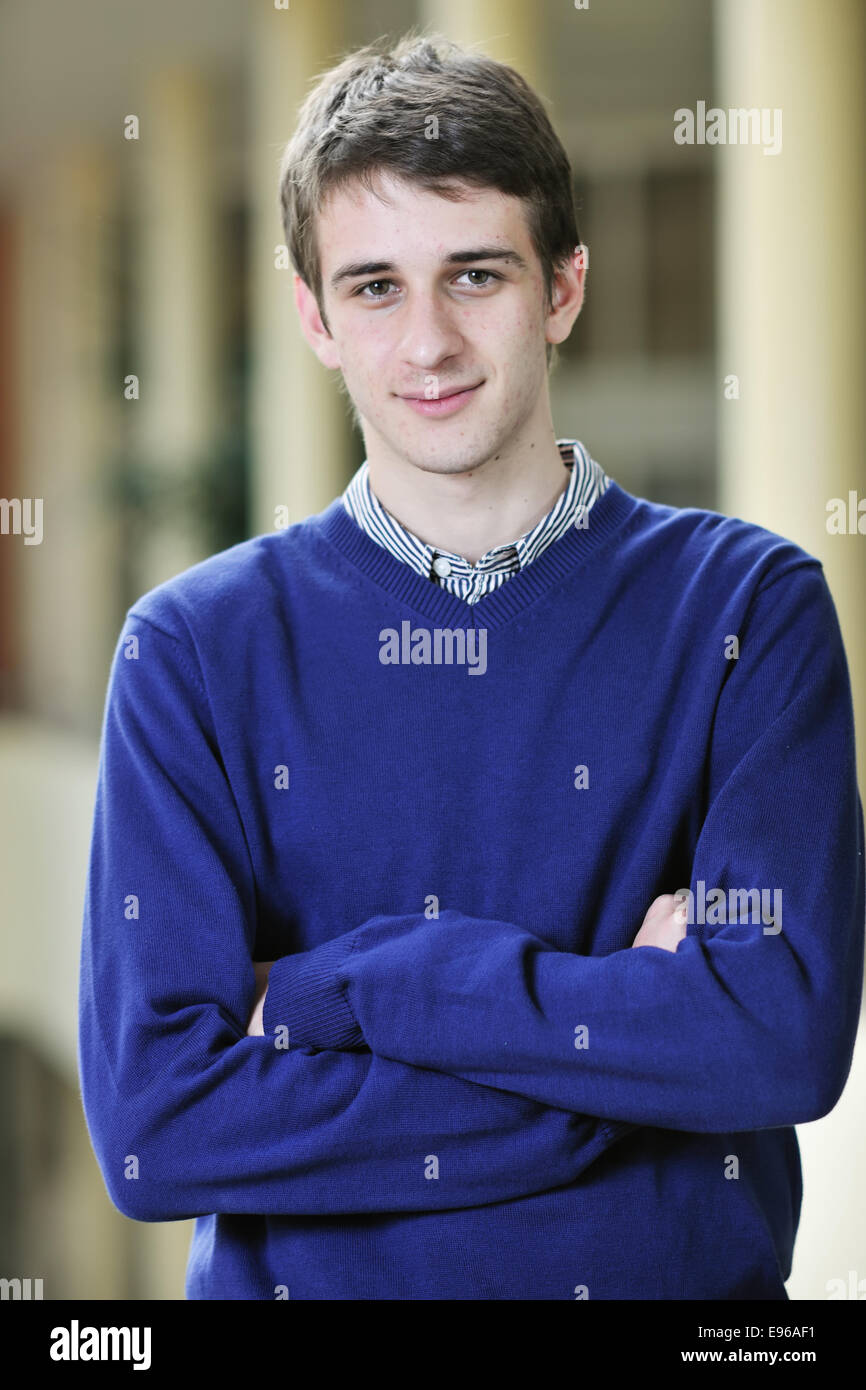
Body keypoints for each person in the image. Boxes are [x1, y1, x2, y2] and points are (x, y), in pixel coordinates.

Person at [78, 31, 864, 1301]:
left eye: (476, 274)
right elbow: (153, 1128)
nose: (428, 341)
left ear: (561, 288)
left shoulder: (744, 612)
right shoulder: (191, 652)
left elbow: (775, 1042)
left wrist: (343, 983)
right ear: (314, 316)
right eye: (375, 285)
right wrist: (620, 1046)